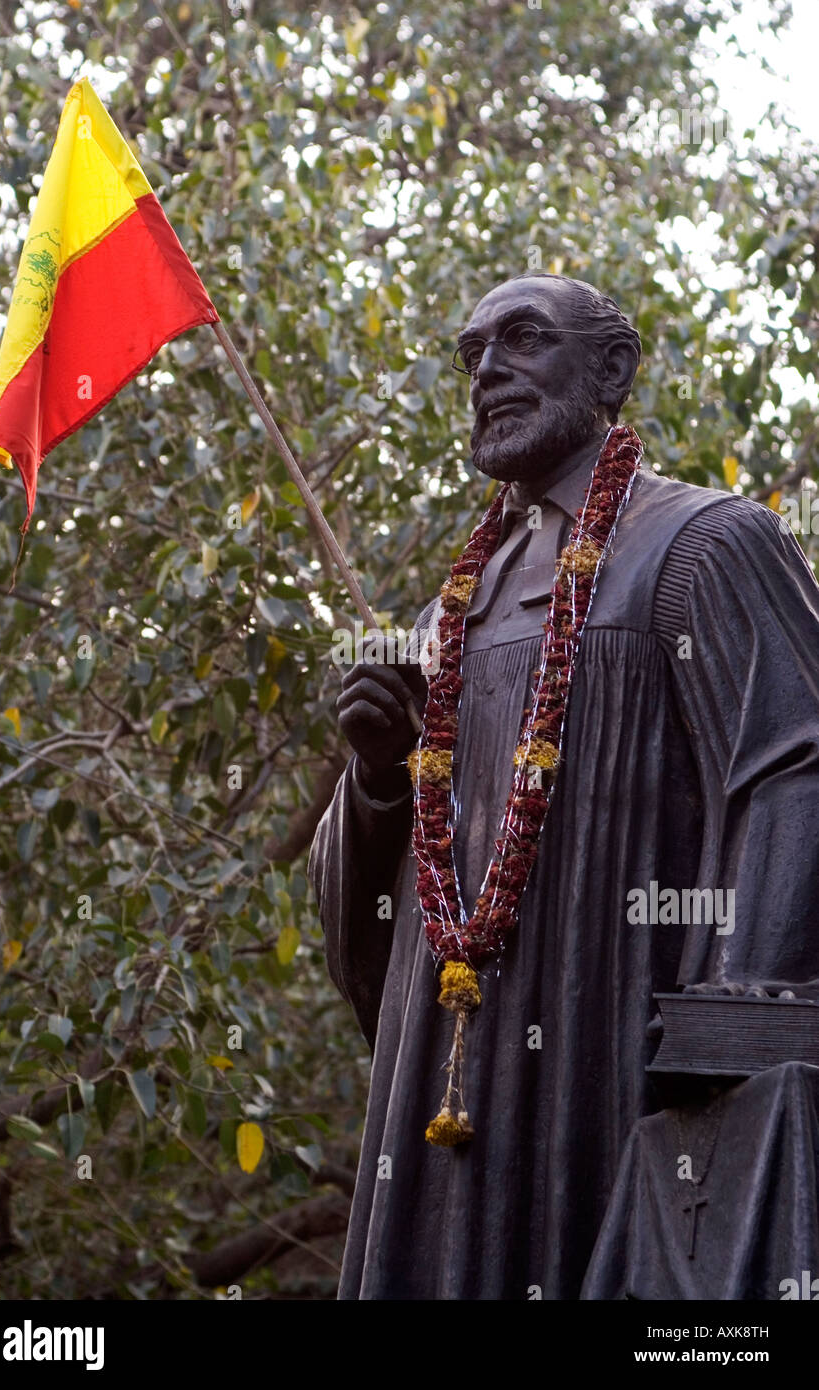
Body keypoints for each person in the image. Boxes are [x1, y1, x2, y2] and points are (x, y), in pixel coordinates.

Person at [309, 272, 819, 1299]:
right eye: (469, 355)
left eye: (522, 340)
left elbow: (795, 762)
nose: (486, 370)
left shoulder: (702, 545)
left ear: (612, 369)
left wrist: (731, 1016)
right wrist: (374, 777)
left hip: (612, 1042)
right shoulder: (448, 612)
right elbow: (373, 913)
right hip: (445, 1068)